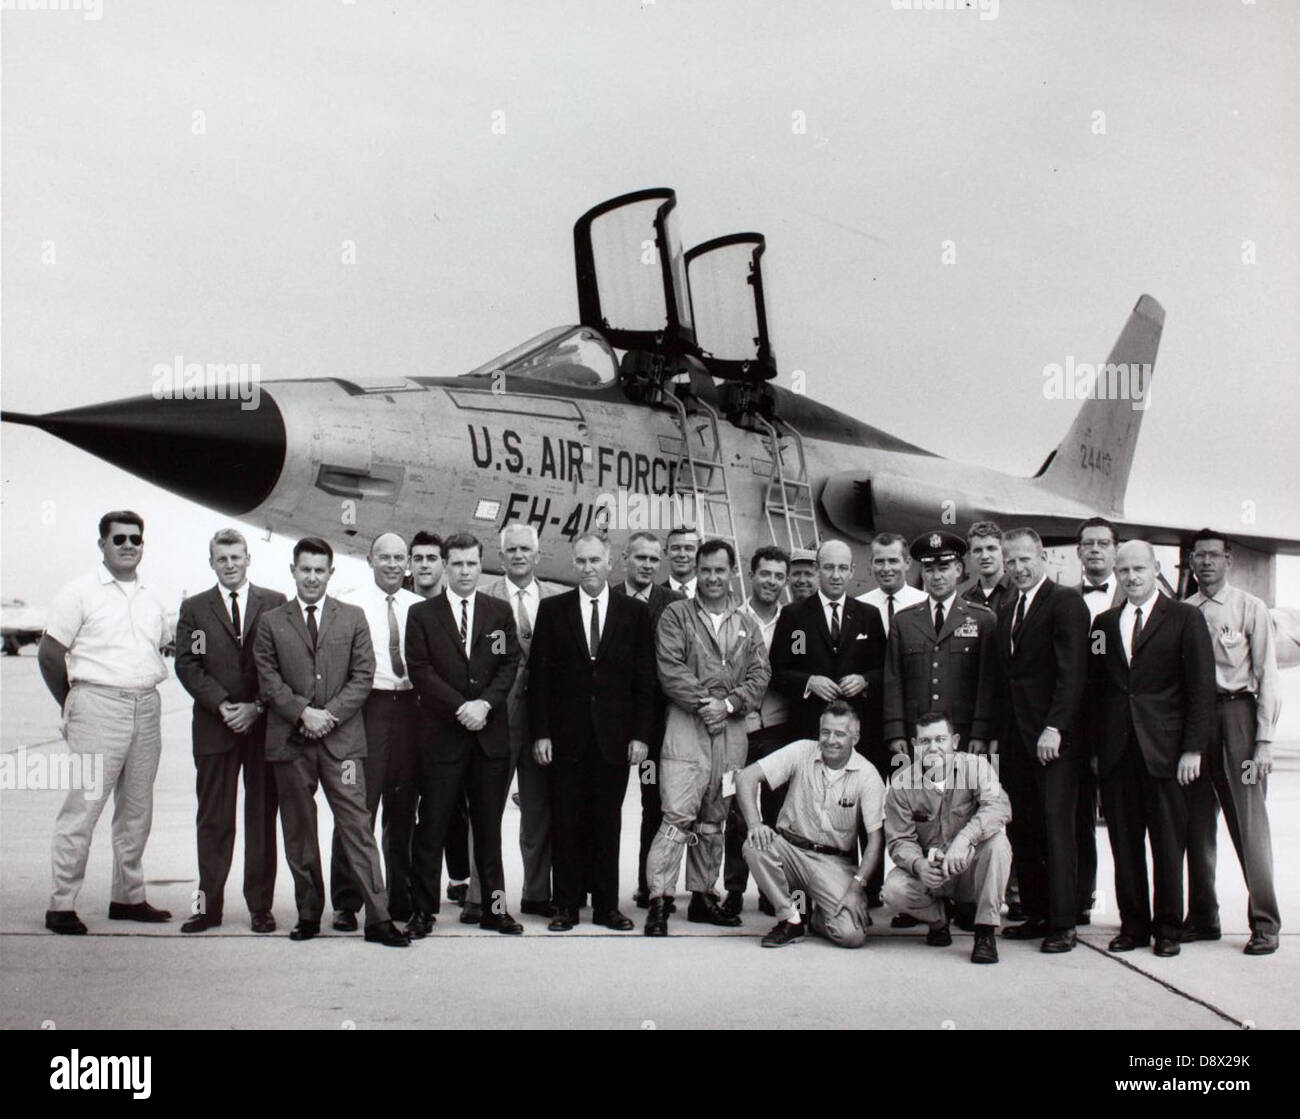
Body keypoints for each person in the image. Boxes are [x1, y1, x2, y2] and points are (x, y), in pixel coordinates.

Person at [252, 536, 408, 947]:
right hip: (291, 741)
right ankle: (307, 913)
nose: (312, 577)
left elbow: (363, 675)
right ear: (293, 571)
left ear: (330, 574)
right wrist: (303, 713)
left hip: (343, 744)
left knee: (357, 827)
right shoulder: (272, 622)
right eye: (305, 569)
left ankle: (378, 917)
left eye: (320, 570)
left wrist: (329, 716)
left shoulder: (352, 617)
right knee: (299, 831)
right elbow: (268, 680)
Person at [38, 511, 172, 935]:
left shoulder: (153, 597)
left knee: (136, 811)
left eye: (136, 539)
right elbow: (48, 653)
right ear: (102, 545)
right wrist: (73, 704)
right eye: (119, 540)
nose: (129, 545)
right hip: (98, 704)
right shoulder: (79, 592)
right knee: (83, 808)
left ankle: (127, 897)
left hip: (146, 706)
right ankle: (61, 903)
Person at [1089, 540, 1215, 957]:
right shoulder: (1104, 627)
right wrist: (1096, 750)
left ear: (1156, 568)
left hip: (1166, 753)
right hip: (1118, 754)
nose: (1131, 577)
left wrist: (1193, 749)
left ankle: (1167, 930)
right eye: (1123, 570)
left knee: (1167, 845)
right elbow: (1097, 690)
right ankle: (1134, 927)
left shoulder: (1184, 617)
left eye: (1139, 569)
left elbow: (1200, 689)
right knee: (1124, 846)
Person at [529, 534, 655, 931]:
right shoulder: (553, 610)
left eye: (595, 560)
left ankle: (606, 907)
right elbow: (540, 679)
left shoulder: (633, 613)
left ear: (610, 564)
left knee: (608, 823)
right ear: (573, 564)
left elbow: (644, 681)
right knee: (566, 822)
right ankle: (565, 905)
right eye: (581, 561)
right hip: (566, 739)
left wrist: (640, 735)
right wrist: (542, 733)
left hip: (613, 740)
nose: (588, 568)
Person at [644, 539, 770, 935]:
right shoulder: (675, 615)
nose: (713, 577)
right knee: (677, 816)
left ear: (733, 572)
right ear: (697, 570)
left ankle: (702, 896)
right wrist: (707, 704)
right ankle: (659, 901)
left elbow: (759, 674)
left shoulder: (747, 624)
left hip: (731, 732)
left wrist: (730, 706)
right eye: (707, 569)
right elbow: (670, 669)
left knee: (714, 819)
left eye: (720, 570)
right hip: (686, 727)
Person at [404, 533, 522, 937]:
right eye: (457, 564)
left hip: (489, 739)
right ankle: (422, 912)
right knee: (431, 826)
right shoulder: (422, 615)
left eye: (472, 563)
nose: (465, 571)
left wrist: (485, 705)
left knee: (489, 830)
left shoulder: (499, 613)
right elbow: (420, 671)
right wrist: (461, 707)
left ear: (482, 563)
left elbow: (509, 664)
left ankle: (494, 908)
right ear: (444, 566)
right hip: (442, 737)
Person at [174, 528, 285, 934]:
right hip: (215, 728)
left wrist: (256, 706)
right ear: (212, 563)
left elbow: (280, 664)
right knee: (214, 819)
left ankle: (260, 907)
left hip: (262, 728)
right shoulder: (196, 611)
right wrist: (224, 705)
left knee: (260, 819)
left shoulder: (273, 604)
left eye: (236, 557)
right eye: (222, 558)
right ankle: (208, 907)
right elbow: (190, 664)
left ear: (248, 558)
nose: (230, 564)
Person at [460, 524, 564, 922]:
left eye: (526, 549)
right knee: (485, 812)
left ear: (538, 556)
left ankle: (537, 894)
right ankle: (479, 897)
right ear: (500, 557)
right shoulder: (483, 599)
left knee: (538, 812)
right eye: (511, 550)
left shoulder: (556, 600)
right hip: (495, 722)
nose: (519, 556)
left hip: (540, 725)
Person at [1185, 529, 1281, 955]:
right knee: (1195, 821)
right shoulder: (1182, 610)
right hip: (1194, 722)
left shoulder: (1249, 608)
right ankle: (1203, 916)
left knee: (1249, 824)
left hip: (1237, 715)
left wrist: (1263, 740)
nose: (1205, 563)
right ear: (1190, 563)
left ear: (1228, 561)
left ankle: (1265, 922)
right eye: (1198, 556)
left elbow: (1269, 676)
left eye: (1213, 556)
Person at [993, 528, 1090, 952]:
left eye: (1024, 559)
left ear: (1043, 557)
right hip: (1017, 739)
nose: (1017, 568)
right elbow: (1009, 677)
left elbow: (1074, 673)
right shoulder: (1010, 606)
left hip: (1053, 739)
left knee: (1057, 828)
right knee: (1026, 828)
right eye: (1010, 561)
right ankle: (1037, 912)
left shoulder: (1065, 602)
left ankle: (1064, 922)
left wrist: (1056, 727)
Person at [331, 532, 423, 929]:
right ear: (369, 560)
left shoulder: (421, 607)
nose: (391, 564)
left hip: (409, 710)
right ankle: (347, 901)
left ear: (408, 563)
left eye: (398, 557)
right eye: (383, 557)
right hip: (367, 707)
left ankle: (399, 898)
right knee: (358, 808)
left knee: (403, 811)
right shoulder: (350, 603)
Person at [737, 701, 883, 948]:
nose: (830, 740)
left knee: (852, 935)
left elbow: (875, 840)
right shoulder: (802, 751)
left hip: (833, 862)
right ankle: (791, 920)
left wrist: (857, 887)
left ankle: (817, 917)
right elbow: (746, 778)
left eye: (840, 734)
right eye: (825, 732)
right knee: (756, 845)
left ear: (855, 737)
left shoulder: (867, 775)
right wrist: (755, 824)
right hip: (790, 849)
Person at [882, 712, 1012, 964]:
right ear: (914, 745)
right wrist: (919, 865)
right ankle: (938, 920)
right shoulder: (901, 784)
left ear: (955, 741)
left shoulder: (977, 767)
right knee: (893, 889)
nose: (933, 747)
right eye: (924, 741)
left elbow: (999, 806)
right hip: (932, 873)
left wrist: (965, 840)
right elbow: (899, 840)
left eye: (940, 739)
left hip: (967, 866)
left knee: (998, 844)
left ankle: (985, 931)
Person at [612, 531, 684, 909]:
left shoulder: (674, 602)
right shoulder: (606, 598)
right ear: (625, 557)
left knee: (653, 806)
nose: (647, 565)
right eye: (640, 558)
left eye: (654, 560)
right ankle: (600, 887)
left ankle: (649, 884)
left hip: (654, 729)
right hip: (609, 726)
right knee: (604, 807)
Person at [882, 531, 996, 758]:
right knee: (916, 791)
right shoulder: (903, 621)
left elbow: (988, 683)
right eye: (929, 569)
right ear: (922, 573)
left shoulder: (983, 619)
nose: (936, 576)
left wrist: (980, 733)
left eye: (943, 568)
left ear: (958, 570)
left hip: (963, 735)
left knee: (967, 791)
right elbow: (893, 680)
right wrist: (895, 732)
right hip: (917, 735)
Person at [722, 545, 792, 917]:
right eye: (765, 574)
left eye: (779, 576)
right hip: (739, 729)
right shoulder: (732, 619)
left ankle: (771, 890)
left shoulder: (793, 620)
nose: (771, 581)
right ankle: (734, 889)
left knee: (777, 813)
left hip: (779, 728)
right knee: (736, 811)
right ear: (750, 576)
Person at [410, 530, 469, 906]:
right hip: (404, 718)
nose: (426, 565)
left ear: (443, 564)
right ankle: (408, 882)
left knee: (453, 804)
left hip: (449, 717)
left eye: (433, 558)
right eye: (420, 558)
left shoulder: (455, 606)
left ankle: (460, 877)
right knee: (406, 807)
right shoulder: (402, 604)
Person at [1073, 516, 1124, 924]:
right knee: (1078, 818)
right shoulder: (1065, 598)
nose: (1095, 550)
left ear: (1115, 549)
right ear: (1078, 552)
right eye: (1088, 544)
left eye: (1103, 544)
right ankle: (1080, 899)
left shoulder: (1136, 595)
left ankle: (1137, 913)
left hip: (1122, 724)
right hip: (1075, 725)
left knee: (1126, 820)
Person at [856, 532, 926, 635]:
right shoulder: (858, 607)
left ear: (907, 563)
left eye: (893, 561)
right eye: (879, 561)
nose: (886, 568)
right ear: (871, 564)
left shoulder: (925, 603)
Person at [961, 521, 1011, 613]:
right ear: (970, 556)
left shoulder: (1019, 592)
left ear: (1003, 551)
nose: (984, 556)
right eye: (978, 550)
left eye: (991, 548)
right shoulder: (964, 600)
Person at [662, 525, 700, 598]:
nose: (682, 555)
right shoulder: (652, 597)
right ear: (666, 553)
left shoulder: (713, 594)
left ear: (699, 554)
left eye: (689, 549)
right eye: (676, 548)